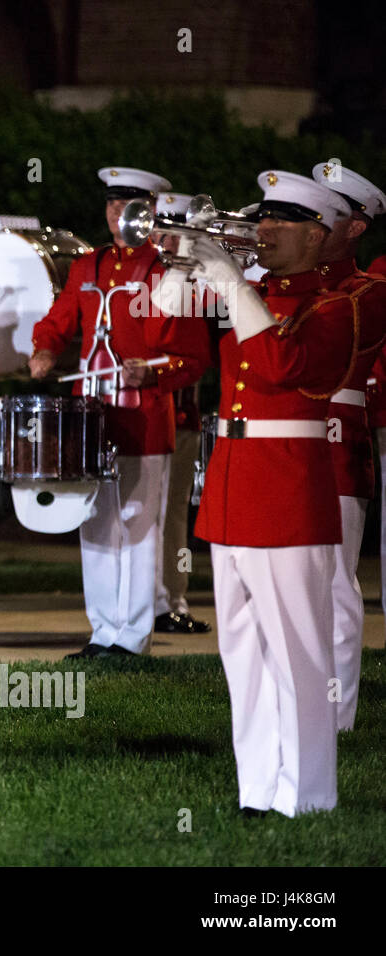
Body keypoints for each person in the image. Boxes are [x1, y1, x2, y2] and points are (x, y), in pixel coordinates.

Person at [180, 170, 355, 815]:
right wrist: (183, 254)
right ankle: (258, 789)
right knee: (243, 654)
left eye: (282, 222)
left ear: (317, 236)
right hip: (234, 481)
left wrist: (229, 281)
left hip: (286, 489)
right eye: (263, 218)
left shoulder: (336, 306)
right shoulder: (254, 292)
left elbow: (281, 366)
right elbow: (172, 311)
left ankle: (306, 794)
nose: (264, 229)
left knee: (297, 654)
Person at [30, 166, 210, 658]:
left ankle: (131, 636)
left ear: (149, 211)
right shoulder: (87, 267)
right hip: (90, 415)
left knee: (137, 522)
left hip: (144, 418)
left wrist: (154, 374)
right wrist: (44, 348)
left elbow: (194, 357)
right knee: (96, 523)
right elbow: (58, 320)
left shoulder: (169, 271)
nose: (116, 211)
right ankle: (102, 631)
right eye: (111, 202)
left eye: (128, 203)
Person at [308, 160, 386, 732]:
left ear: (355, 226)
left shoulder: (367, 290)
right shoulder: (276, 281)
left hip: (336, 443)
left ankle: (336, 716)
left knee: (334, 582)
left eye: (325, 212)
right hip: (277, 446)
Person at [150, 191, 212, 635]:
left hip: (177, 412)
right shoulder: (141, 277)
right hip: (137, 412)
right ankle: (147, 599)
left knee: (171, 513)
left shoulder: (195, 281)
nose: (164, 242)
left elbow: (195, 356)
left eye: (174, 233)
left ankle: (171, 597)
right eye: (159, 231)